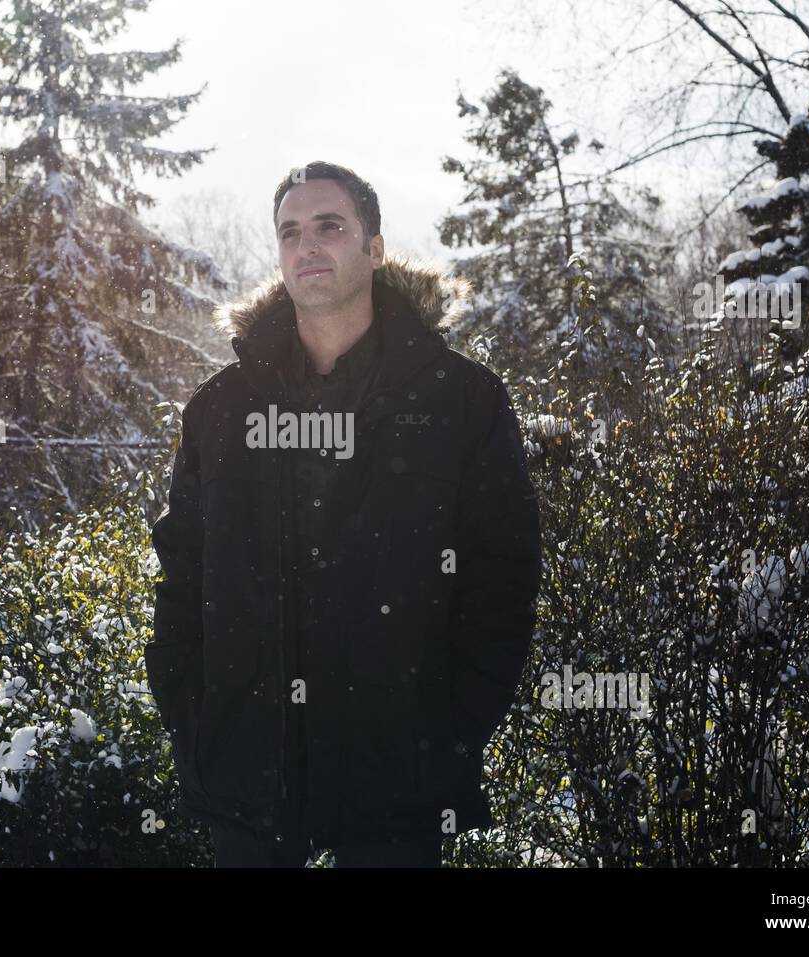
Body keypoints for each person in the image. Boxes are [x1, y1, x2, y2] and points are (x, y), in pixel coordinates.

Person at [144, 160, 542, 867]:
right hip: (248, 771)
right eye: (290, 231)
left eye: (330, 225)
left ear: (375, 247)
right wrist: (191, 715)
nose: (308, 245)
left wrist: (451, 728)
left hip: (398, 776)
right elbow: (182, 571)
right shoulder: (221, 408)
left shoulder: (461, 399)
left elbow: (502, 577)